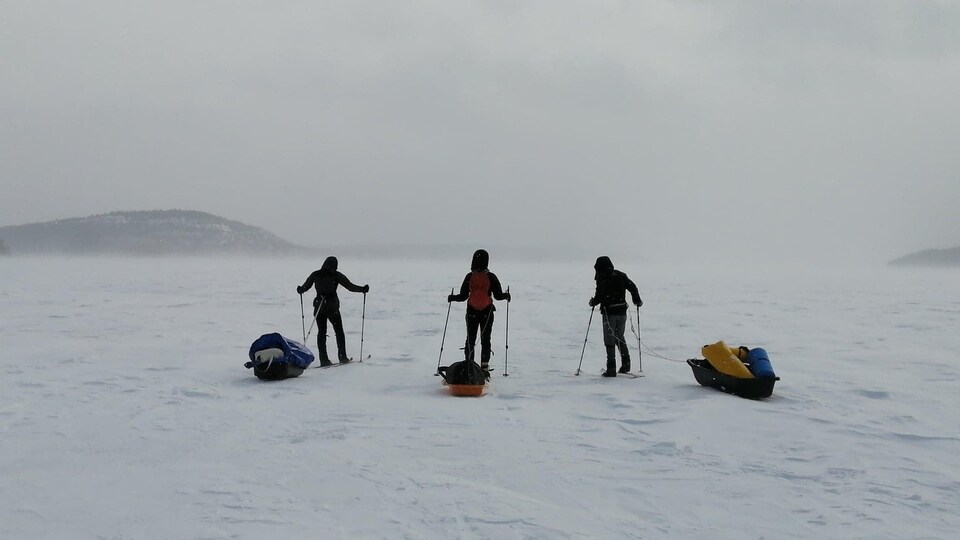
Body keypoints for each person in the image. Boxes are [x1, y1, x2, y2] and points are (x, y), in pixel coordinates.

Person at [447, 249, 511, 377]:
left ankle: (469, 364)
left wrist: (452, 298)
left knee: (470, 339)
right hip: (487, 312)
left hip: (471, 311)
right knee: (485, 339)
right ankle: (484, 368)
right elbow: (498, 296)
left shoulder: (469, 277)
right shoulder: (491, 277)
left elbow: (463, 296)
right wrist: (506, 295)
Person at [297, 256, 369, 366]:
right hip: (332, 308)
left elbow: (305, 287)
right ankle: (342, 357)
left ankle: (324, 360)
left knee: (321, 332)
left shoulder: (316, 274)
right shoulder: (336, 275)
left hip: (319, 307)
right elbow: (350, 286)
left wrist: (300, 289)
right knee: (339, 332)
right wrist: (363, 289)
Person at [588, 256, 642, 377]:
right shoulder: (621, 275)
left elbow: (600, 295)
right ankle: (626, 363)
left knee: (609, 339)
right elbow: (632, 287)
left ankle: (611, 368)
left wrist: (593, 302)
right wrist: (637, 300)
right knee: (619, 336)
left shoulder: (602, 278)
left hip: (609, 313)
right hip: (622, 312)